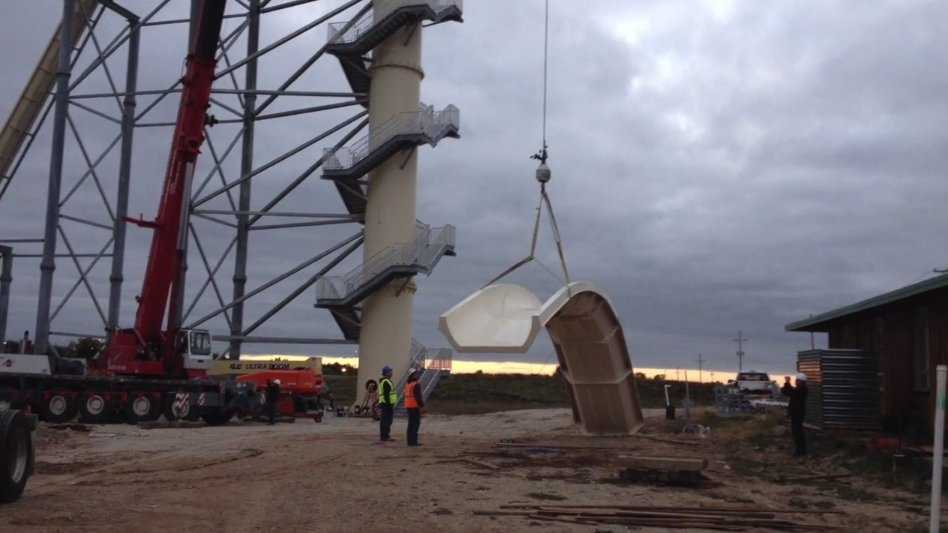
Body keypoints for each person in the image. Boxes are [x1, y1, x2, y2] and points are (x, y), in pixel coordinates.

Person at [787, 373, 808, 457]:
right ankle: (800, 449)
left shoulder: (802, 390)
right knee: (796, 432)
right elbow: (787, 392)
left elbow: (791, 393)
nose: (796, 382)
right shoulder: (799, 389)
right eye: (796, 380)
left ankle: (800, 450)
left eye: (798, 381)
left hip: (798, 413)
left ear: (802, 382)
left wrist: (788, 383)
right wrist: (787, 384)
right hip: (796, 413)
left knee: (798, 432)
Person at [404, 370, 425, 447]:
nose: (418, 375)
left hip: (408, 406)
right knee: (415, 424)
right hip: (414, 406)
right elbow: (418, 397)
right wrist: (422, 406)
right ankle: (413, 442)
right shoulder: (416, 384)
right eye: (416, 374)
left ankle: (410, 442)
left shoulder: (407, 384)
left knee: (411, 425)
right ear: (412, 375)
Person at [378, 366, 396, 442]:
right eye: (390, 371)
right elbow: (386, 394)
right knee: (387, 421)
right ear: (386, 373)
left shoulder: (384, 381)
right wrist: (389, 404)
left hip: (385, 403)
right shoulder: (386, 382)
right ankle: (385, 436)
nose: (392, 373)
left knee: (385, 420)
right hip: (387, 404)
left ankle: (384, 436)